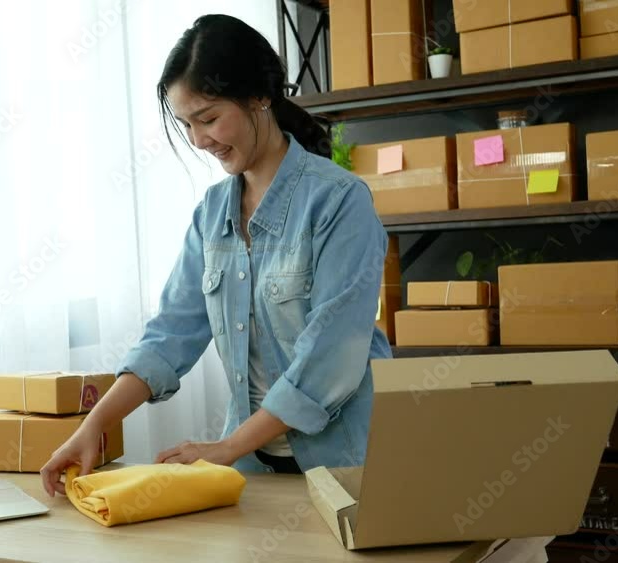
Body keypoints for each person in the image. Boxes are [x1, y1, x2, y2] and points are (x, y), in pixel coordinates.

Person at [40, 13, 390, 496]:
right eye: (187, 124)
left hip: (344, 466)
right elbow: (170, 335)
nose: (200, 140)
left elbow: (330, 359)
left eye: (208, 118)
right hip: (252, 470)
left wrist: (224, 449)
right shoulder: (212, 215)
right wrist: (92, 427)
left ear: (259, 97)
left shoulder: (339, 202)